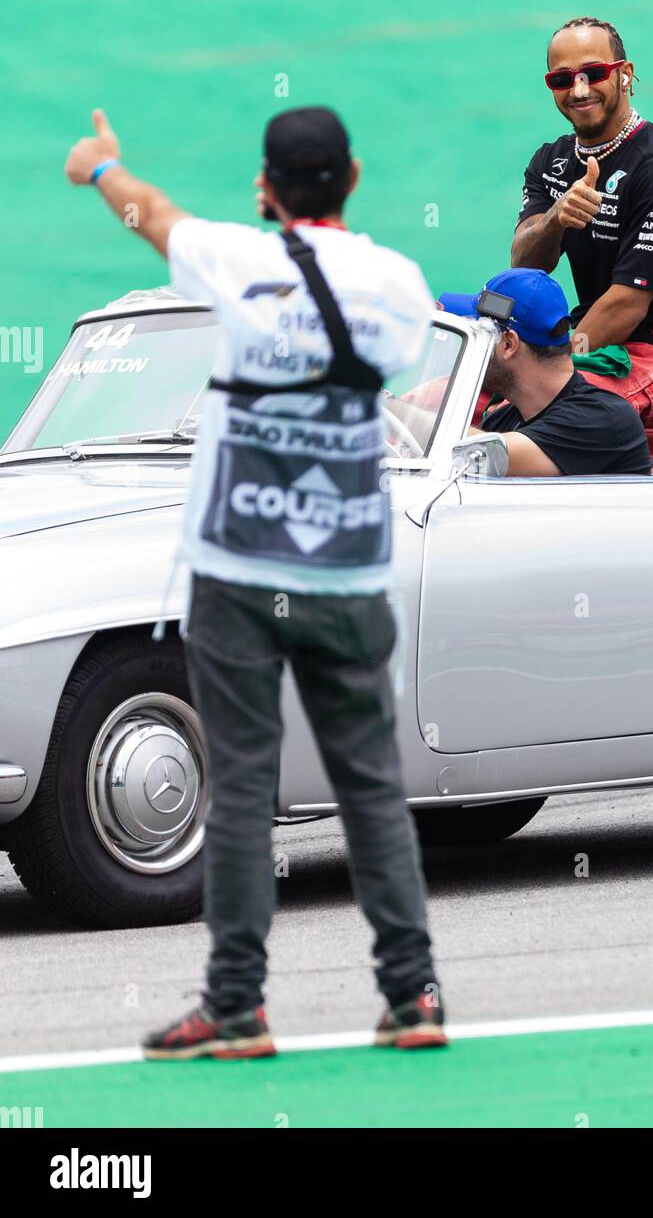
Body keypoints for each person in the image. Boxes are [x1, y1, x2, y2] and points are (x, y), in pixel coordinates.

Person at [63, 105, 448, 1058]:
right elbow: (401, 360)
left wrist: (101, 168)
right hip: (349, 565)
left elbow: (149, 213)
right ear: (352, 176)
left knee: (238, 789)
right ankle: (414, 996)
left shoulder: (235, 260)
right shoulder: (396, 282)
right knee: (370, 788)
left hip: (238, 567)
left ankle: (236, 1006)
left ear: (264, 189)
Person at [511, 16, 653, 428]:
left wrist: (555, 367)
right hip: (588, 341)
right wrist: (556, 217)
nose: (579, 89)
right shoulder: (550, 162)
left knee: (537, 413)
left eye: (594, 73)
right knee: (457, 395)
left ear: (625, 75)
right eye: (562, 79)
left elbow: (627, 303)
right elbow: (524, 264)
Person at [412, 267, 650, 477]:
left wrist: (386, 408)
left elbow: (481, 452)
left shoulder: (603, 419)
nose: (469, 350)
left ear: (508, 344)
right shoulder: (503, 419)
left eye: (477, 336)